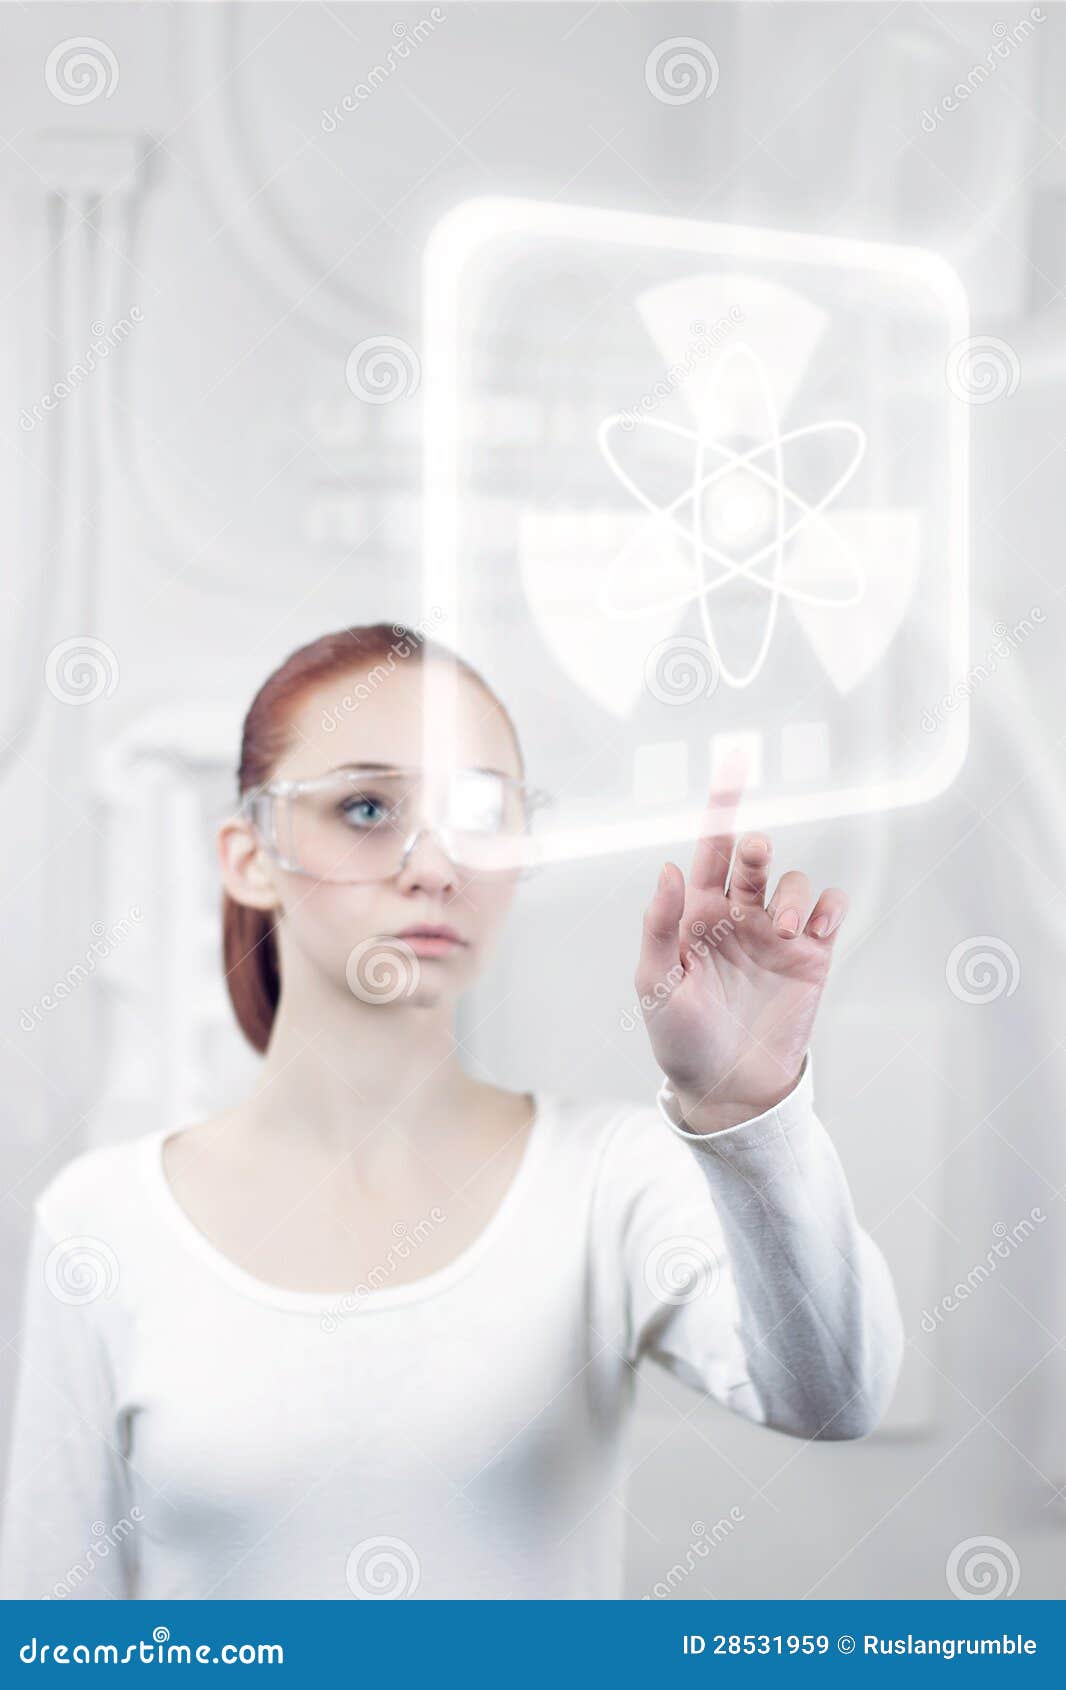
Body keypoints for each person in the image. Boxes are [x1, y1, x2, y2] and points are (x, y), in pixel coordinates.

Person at [0, 623, 903, 1600]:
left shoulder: (610, 1180)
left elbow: (832, 1395)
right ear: (248, 855)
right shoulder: (101, 1224)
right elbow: (56, 1625)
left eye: (480, 815)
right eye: (366, 806)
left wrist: (743, 1108)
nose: (434, 864)